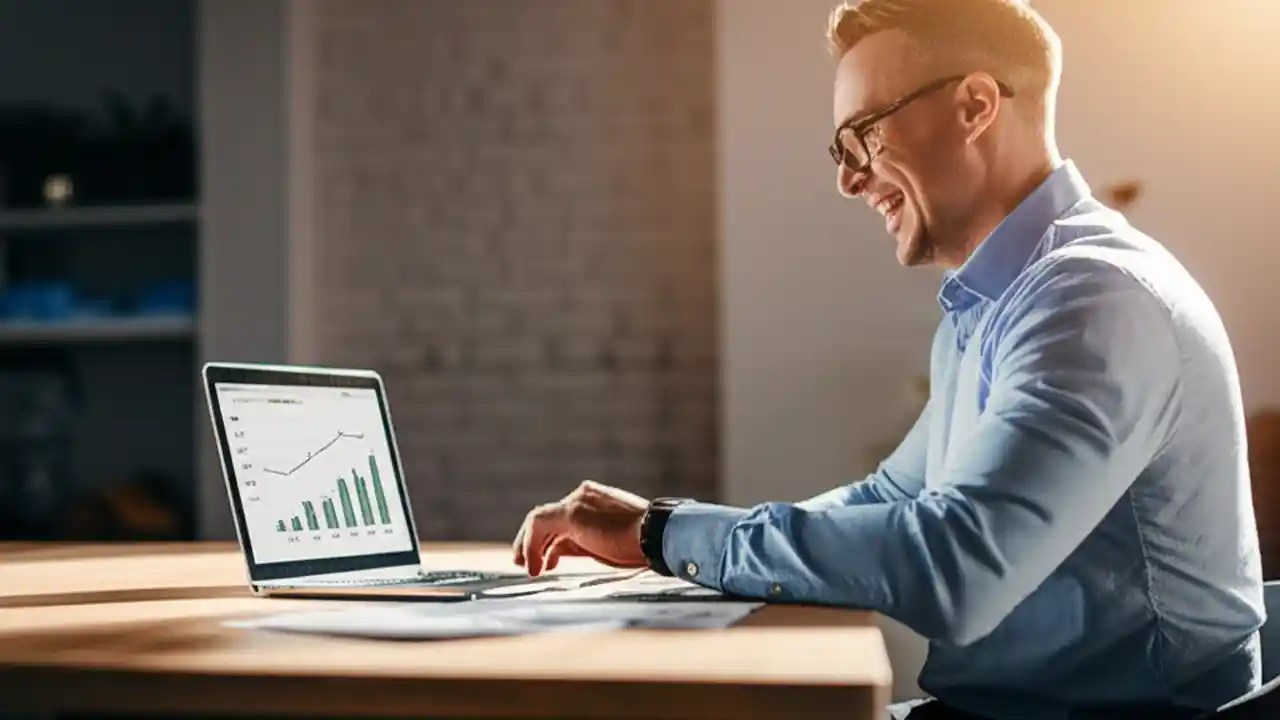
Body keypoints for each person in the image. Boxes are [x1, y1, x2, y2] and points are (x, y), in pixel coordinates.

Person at [511, 1, 1265, 717]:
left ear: (975, 106)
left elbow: (958, 567)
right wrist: (672, 544)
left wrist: (664, 534)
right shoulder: (1001, 301)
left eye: (864, 134)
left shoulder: (1091, 299)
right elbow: (891, 495)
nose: (849, 179)